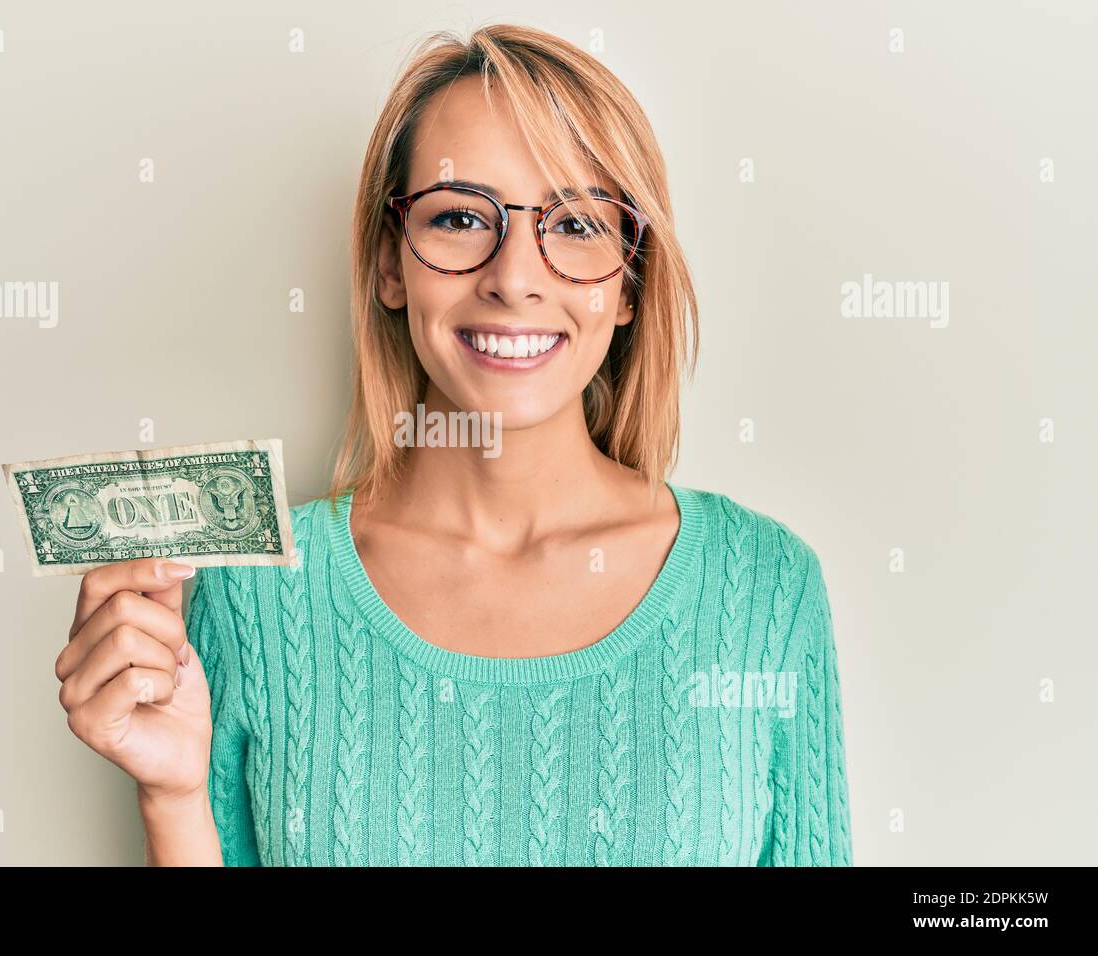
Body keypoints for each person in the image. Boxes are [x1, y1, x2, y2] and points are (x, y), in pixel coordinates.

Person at [55, 24, 853, 866]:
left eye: (577, 224)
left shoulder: (765, 589)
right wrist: (173, 800)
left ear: (629, 283)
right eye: (462, 217)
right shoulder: (250, 597)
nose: (514, 276)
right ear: (390, 267)